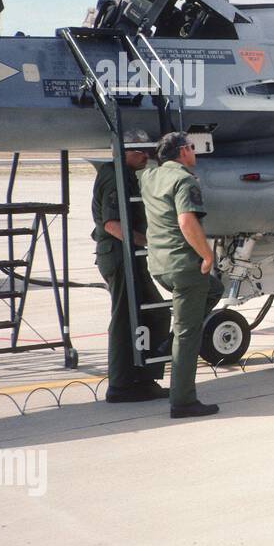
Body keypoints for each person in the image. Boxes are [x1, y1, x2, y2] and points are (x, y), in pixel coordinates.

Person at [139, 132, 223, 419]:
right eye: (191, 147)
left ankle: (173, 335)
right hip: (185, 267)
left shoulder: (149, 177)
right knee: (189, 336)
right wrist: (207, 256)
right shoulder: (185, 180)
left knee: (214, 290)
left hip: (159, 264)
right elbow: (187, 221)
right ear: (183, 152)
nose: (194, 151)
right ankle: (183, 401)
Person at [92, 129, 170, 403]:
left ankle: (143, 377)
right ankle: (121, 385)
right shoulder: (116, 177)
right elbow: (112, 224)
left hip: (126, 254)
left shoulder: (121, 174)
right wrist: (148, 241)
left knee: (155, 314)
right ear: (125, 151)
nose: (146, 156)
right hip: (119, 254)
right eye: (141, 152)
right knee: (125, 318)